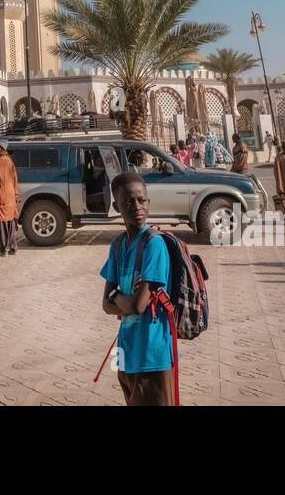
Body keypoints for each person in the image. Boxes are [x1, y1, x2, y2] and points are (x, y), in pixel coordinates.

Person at [99, 172, 175, 406]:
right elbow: (105, 305)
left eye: (141, 200)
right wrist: (119, 300)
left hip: (153, 355)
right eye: (129, 201)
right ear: (116, 205)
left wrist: (116, 296)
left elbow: (137, 305)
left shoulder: (155, 245)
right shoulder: (118, 245)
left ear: (148, 202)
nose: (137, 207)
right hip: (127, 353)